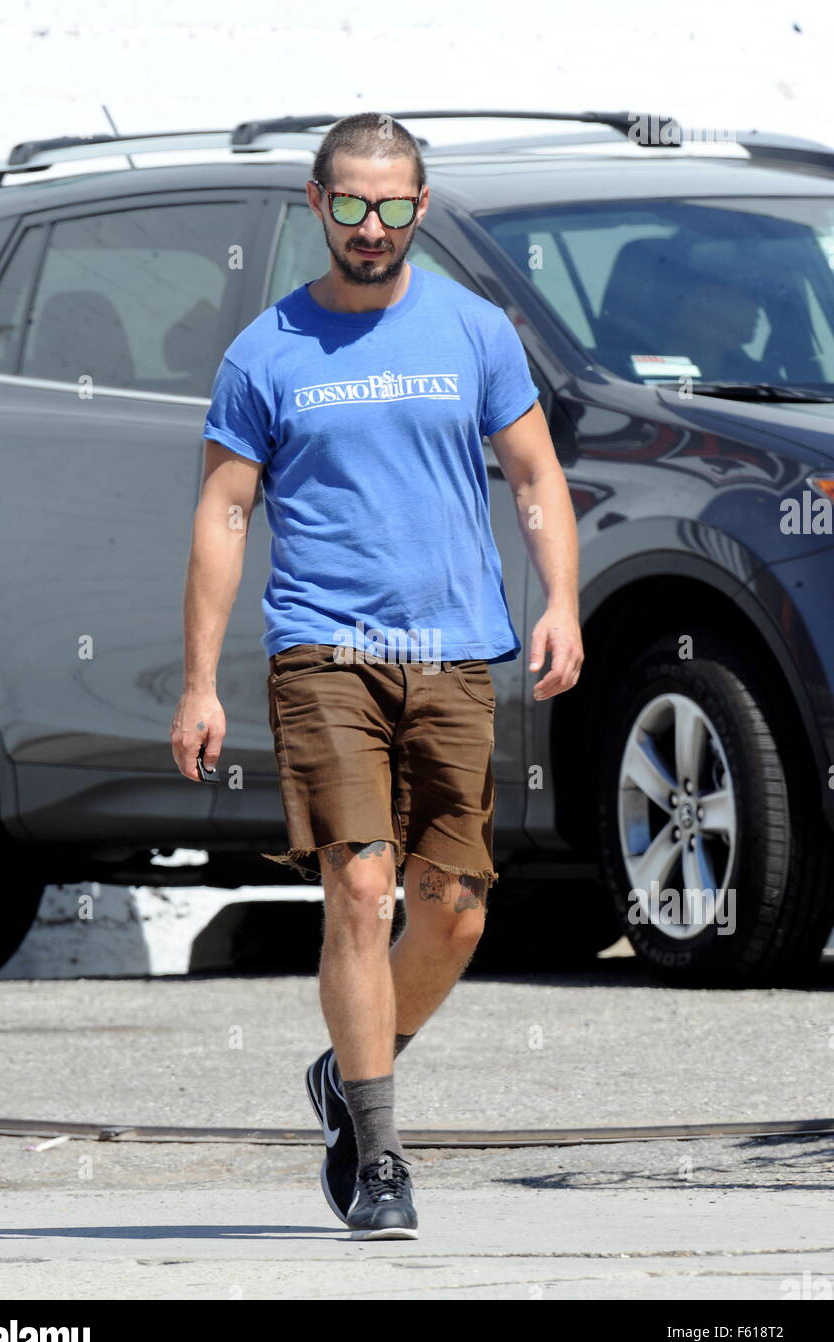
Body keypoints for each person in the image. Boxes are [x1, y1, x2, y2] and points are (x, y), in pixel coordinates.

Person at [171, 112, 583, 1239]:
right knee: (358, 887)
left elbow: (537, 476)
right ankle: (381, 1152)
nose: (371, 226)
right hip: (325, 655)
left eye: (393, 205)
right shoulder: (266, 350)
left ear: (422, 206)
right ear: (317, 204)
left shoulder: (475, 331)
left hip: (453, 652)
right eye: (350, 204)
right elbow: (223, 512)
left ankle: (346, 1073)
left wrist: (560, 599)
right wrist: (201, 682)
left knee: (450, 913)